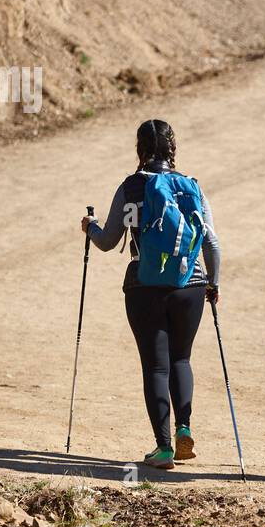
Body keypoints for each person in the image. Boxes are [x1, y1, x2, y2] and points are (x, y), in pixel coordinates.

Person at [80, 119, 219, 470]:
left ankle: (164, 448)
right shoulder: (191, 187)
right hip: (191, 283)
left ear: (140, 149)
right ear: (172, 147)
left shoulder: (131, 188)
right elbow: (212, 242)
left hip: (144, 285)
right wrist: (213, 283)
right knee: (181, 360)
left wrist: (90, 227)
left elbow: (109, 242)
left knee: (155, 367)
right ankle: (184, 426)